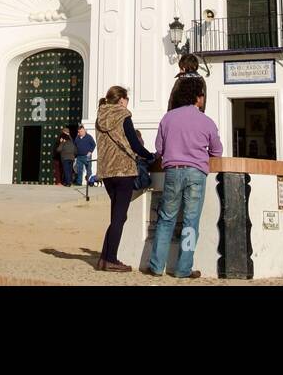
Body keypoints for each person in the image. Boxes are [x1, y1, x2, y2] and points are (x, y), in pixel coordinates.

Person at [146, 76, 223, 279]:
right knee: (190, 222)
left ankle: (155, 266)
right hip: (196, 173)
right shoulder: (206, 121)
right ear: (199, 97)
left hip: (172, 172)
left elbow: (159, 149)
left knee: (165, 219)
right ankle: (183, 269)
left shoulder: (167, 118)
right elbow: (217, 150)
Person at [94, 85, 156, 272]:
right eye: (127, 99)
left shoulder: (99, 117)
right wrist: (150, 156)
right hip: (123, 170)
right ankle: (110, 259)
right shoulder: (123, 115)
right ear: (122, 99)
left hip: (106, 172)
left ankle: (104, 258)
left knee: (117, 216)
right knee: (119, 217)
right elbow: (135, 144)